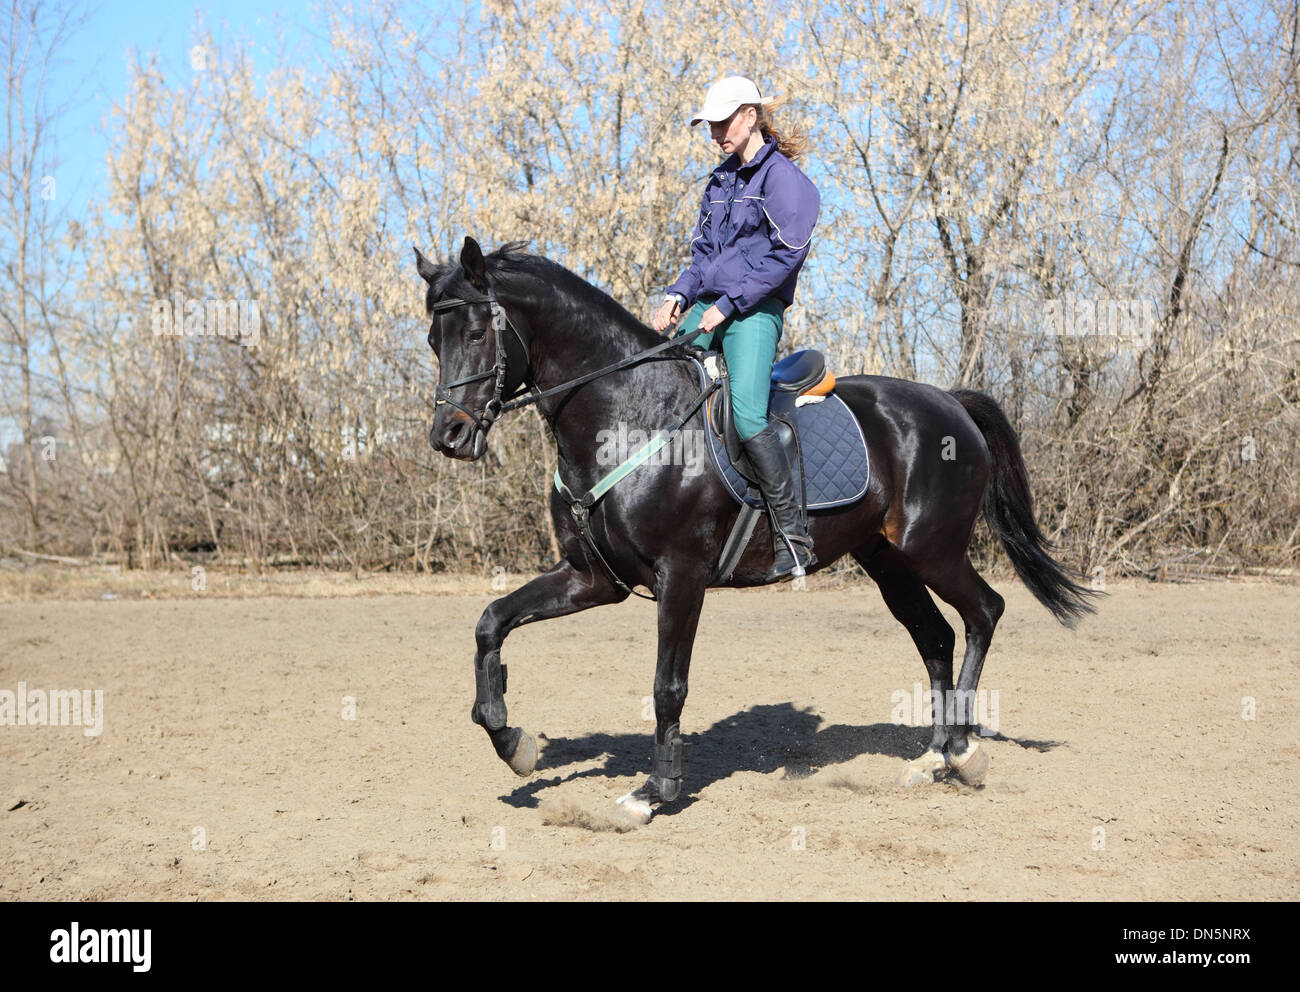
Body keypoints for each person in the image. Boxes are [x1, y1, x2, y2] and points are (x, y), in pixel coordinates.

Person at [653, 75, 821, 580]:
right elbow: (704, 254)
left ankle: (793, 536)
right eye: (710, 124)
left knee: (748, 418)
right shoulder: (720, 181)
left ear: (750, 116)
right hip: (710, 305)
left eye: (723, 122)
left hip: (755, 312)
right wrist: (678, 293)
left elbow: (786, 256)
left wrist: (728, 305)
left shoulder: (786, 181)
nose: (715, 132)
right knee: (660, 381)